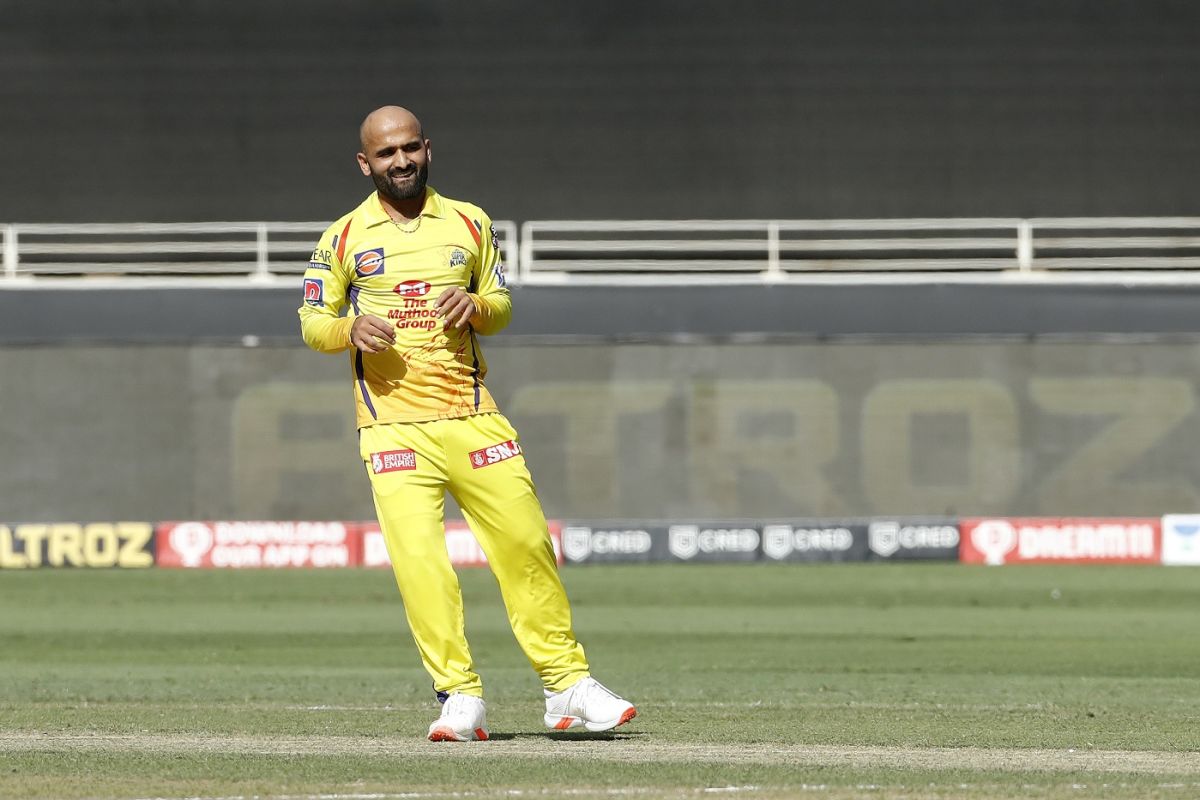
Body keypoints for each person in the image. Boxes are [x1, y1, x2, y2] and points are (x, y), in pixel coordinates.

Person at [298, 105, 636, 742]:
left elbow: (501, 306)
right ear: (364, 163)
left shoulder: (471, 222)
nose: (400, 162)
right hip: (392, 428)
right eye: (385, 153)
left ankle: (565, 687)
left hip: (474, 417)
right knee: (422, 565)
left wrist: (477, 304)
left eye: (409, 149)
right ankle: (459, 696)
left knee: (526, 545)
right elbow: (312, 321)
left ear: (427, 148)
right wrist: (349, 328)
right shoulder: (342, 236)